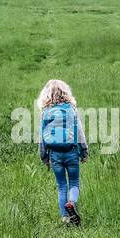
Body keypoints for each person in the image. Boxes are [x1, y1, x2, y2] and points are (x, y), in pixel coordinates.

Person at [37, 79, 88, 225]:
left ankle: (65, 218)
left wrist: (44, 157)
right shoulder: (71, 109)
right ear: (65, 92)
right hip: (71, 152)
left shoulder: (45, 112)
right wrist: (84, 151)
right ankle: (72, 202)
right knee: (74, 182)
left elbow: (42, 138)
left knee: (61, 186)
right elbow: (80, 133)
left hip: (54, 154)